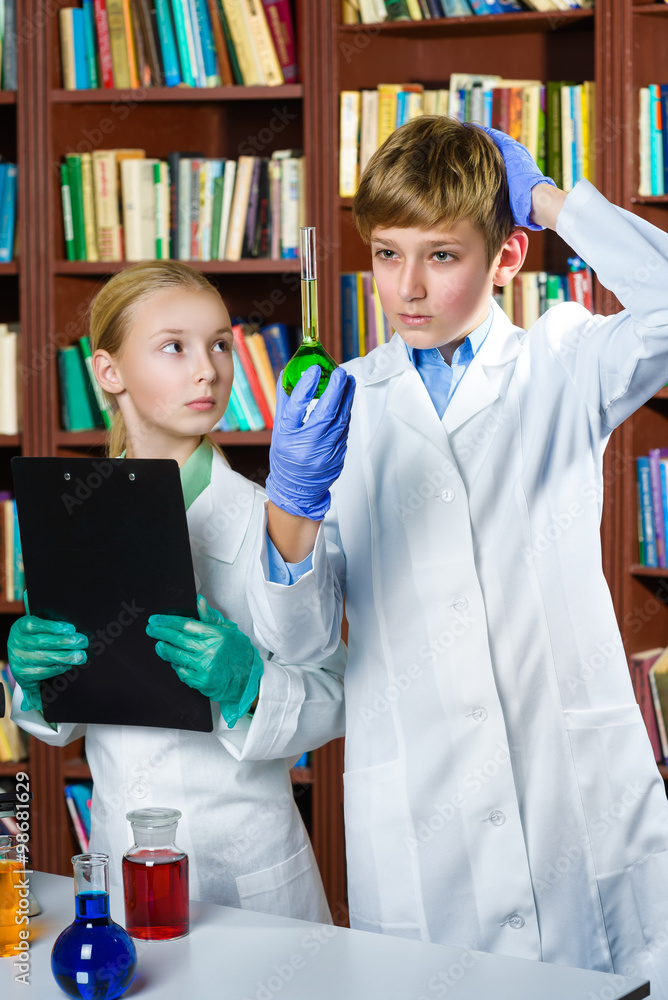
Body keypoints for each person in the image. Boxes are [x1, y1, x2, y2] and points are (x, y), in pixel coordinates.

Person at [246, 116, 668, 990]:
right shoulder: (342, 399)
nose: (406, 288)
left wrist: (553, 200)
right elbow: (301, 645)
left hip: (574, 794)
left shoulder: (562, 358)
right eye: (388, 253)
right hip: (425, 818)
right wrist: (291, 507)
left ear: (507, 258)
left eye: (441, 256)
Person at [8, 260, 345, 921]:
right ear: (109, 372)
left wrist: (249, 684)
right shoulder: (72, 515)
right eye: (175, 346)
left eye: (221, 343)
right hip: (119, 854)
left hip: (248, 875)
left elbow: (333, 695)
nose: (210, 369)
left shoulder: (277, 517)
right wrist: (34, 675)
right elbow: (61, 720)